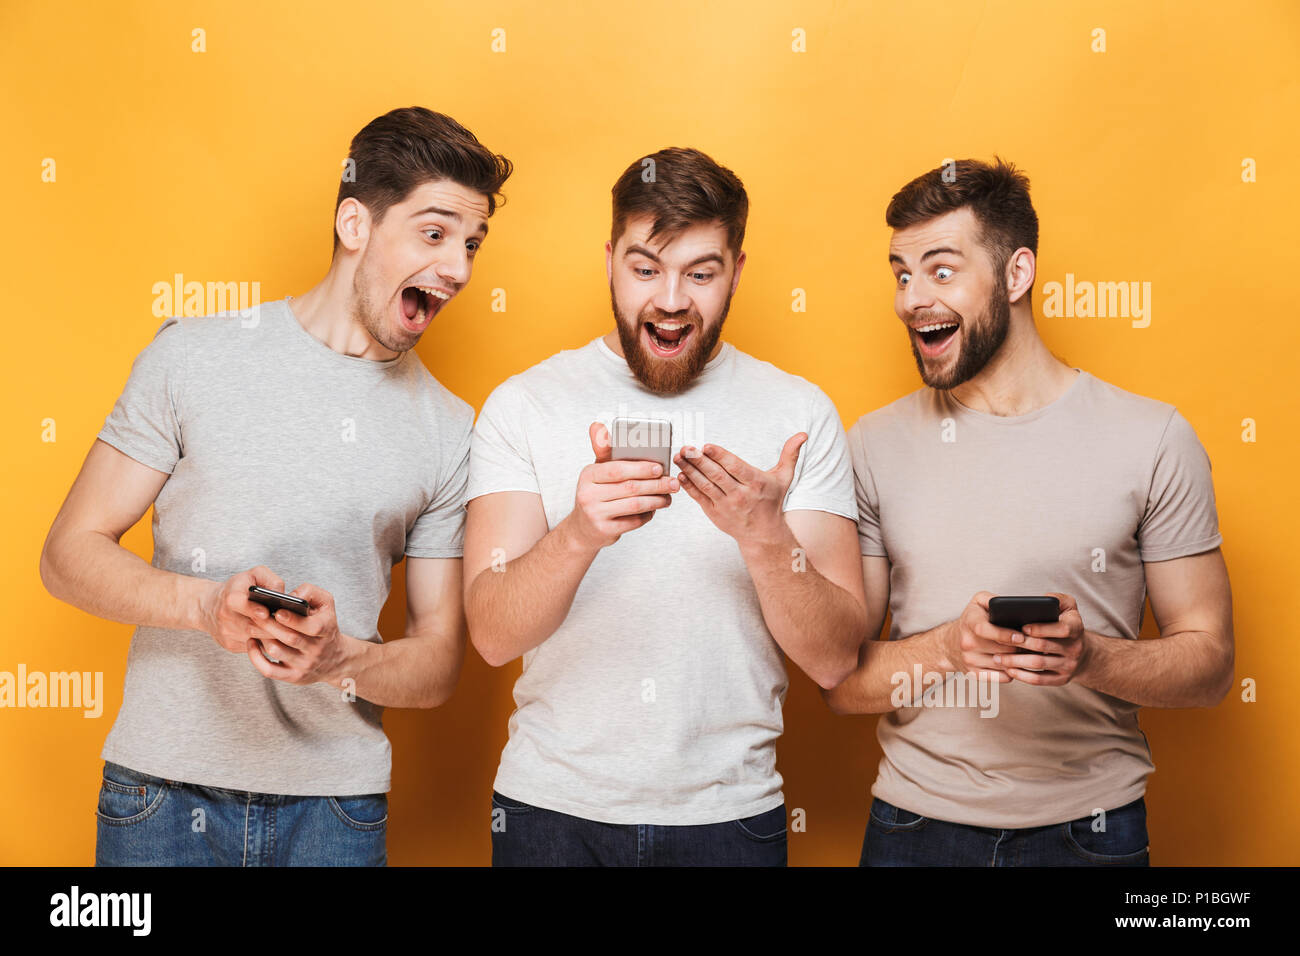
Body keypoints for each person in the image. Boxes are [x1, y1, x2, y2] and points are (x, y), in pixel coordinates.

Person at [39, 106, 512, 866]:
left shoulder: (452, 431)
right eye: (434, 234)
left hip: (336, 812)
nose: (458, 267)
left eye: (470, 244)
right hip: (161, 793)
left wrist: (340, 661)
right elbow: (67, 554)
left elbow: (439, 661)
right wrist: (203, 606)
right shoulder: (192, 356)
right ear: (355, 225)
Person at [463, 146, 867, 866]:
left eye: (701, 273)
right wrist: (579, 534)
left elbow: (837, 658)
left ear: (737, 271)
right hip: (551, 813)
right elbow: (493, 635)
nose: (672, 299)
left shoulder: (799, 413)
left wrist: (767, 538)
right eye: (646, 268)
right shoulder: (523, 405)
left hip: (731, 817)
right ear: (610, 258)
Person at [826, 157, 1234, 866]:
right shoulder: (870, 446)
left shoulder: (1154, 438)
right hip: (914, 831)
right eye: (900, 273)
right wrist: (950, 648)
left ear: (1017, 276)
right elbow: (842, 682)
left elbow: (1212, 663)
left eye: (941, 270)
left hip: (1093, 833)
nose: (910, 298)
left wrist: (1090, 657)